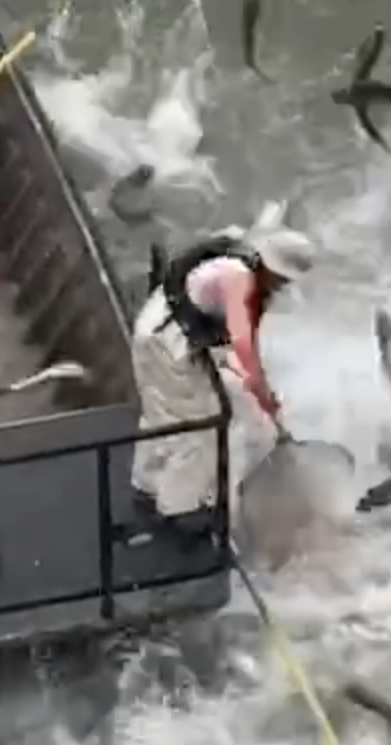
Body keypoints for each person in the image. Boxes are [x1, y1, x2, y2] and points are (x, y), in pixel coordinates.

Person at [128, 227, 319, 541]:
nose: (283, 287)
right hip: (169, 342)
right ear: (273, 270)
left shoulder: (236, 257)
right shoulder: (240, 283)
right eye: (283, 280)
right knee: (200, 425)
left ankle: (145, 488)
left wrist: (259, 396)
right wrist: (267, 402)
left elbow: (233, 349)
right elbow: (246, 355)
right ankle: (179, 514)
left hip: (156, 323)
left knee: (161, 412)